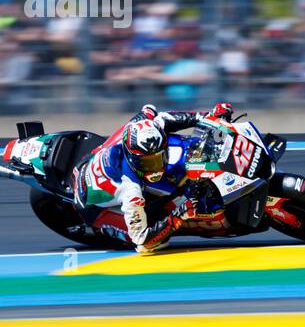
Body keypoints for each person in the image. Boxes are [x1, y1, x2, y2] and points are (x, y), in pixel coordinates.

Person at [71, 102, 234, 253]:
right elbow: (143, 242)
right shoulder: (130, 191)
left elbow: (159, 115)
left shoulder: (142, 126)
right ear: (134, 160)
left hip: (96, 157)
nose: (156, 167)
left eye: (159, 158)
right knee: (153, 242)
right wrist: (179, 215)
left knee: (149, 113)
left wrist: (209, 116)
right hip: (91, 206)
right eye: (148, 163)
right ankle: (104, 227)